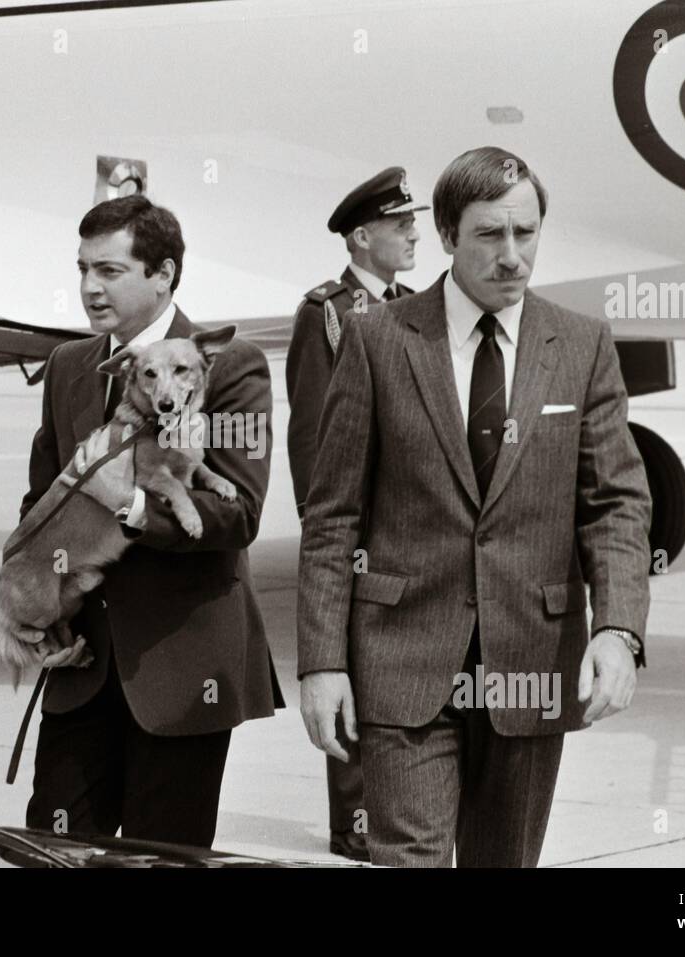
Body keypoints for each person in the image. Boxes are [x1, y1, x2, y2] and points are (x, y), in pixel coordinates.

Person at [296, 147, 652, 867]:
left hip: (530, 660)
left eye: (526, 233)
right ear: (451, 237)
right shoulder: (378, 340)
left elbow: (615, 502)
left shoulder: (580, 345)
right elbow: (332, 514)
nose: (513, 256)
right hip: (404, 661)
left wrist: (618, 627)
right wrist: (321, 662)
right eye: (491, 235)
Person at [18, 194, 282, 849]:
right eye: (82, 269)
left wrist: (131, 505)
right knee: (50, 852)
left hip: (181, 678)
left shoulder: (230, 364)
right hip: (81, 671)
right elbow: (40, 503)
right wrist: (40, 606)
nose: (88, 287)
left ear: (162, 273)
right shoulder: (69, 367)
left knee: (164, 861)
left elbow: (237, 511)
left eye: (108, 270)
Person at [284, 165, 427, 862]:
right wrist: (331, 543)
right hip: (360, 536)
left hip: (410, 532)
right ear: (362, 235)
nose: (414, 234)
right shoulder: (328, 314)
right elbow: (312, 438)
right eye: (401, 225)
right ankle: (358, 832)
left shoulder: (413, 306)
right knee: (355, 682)